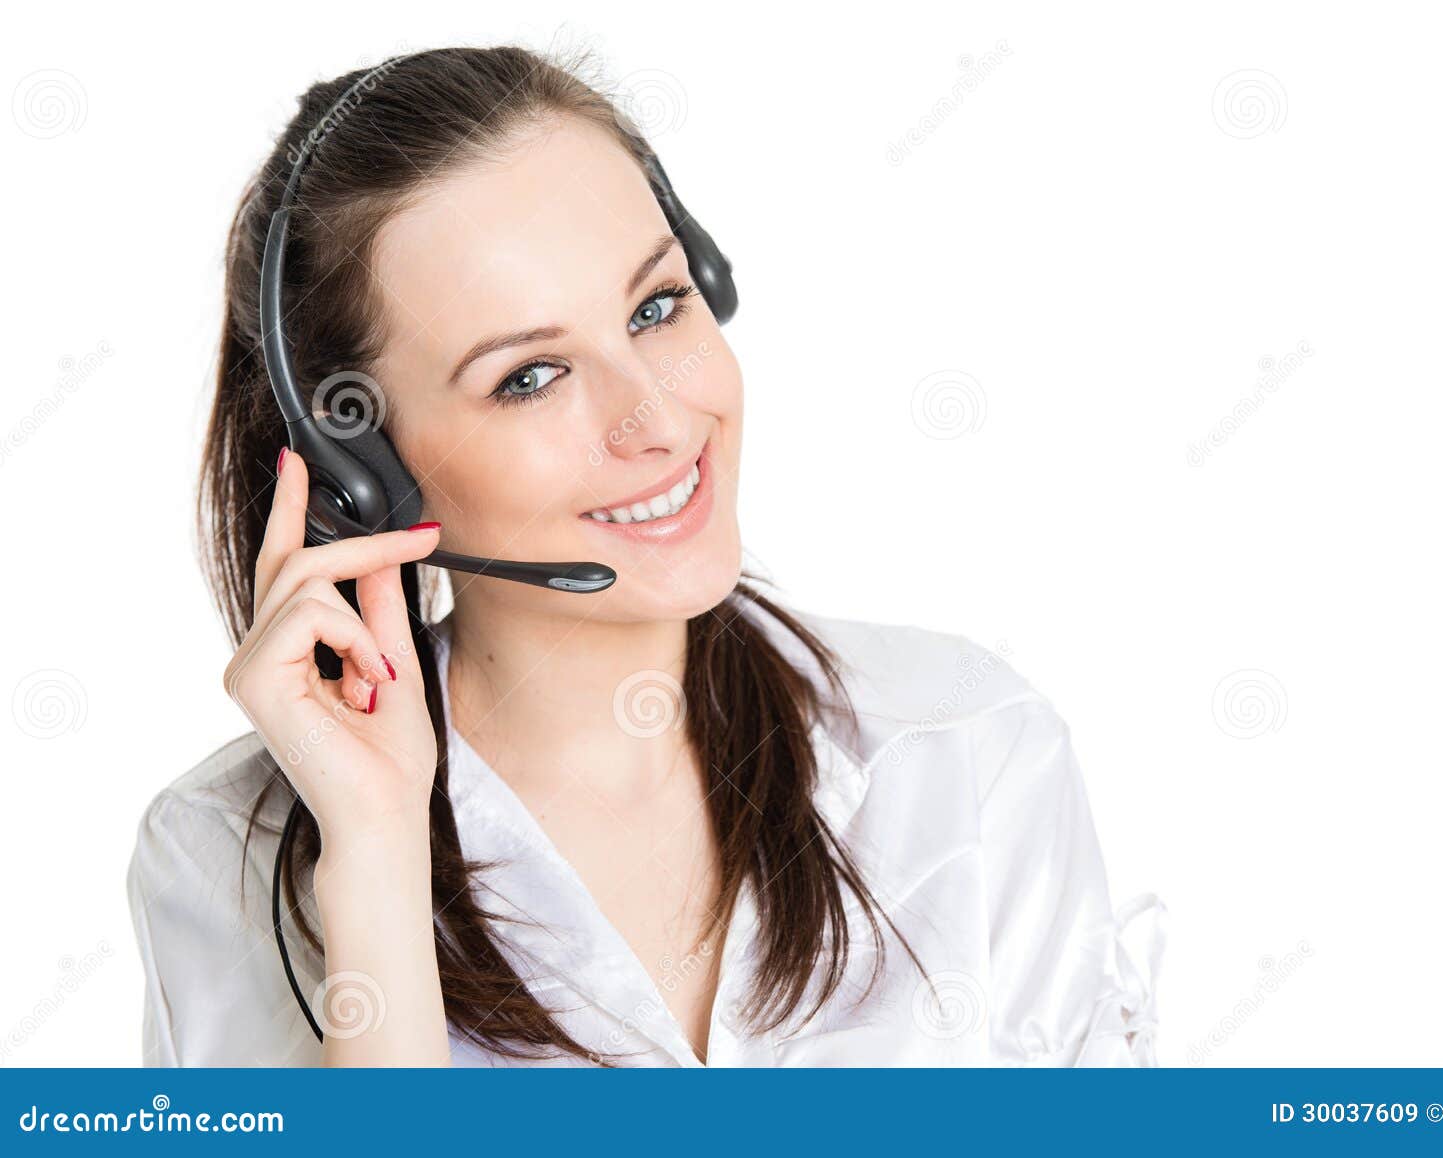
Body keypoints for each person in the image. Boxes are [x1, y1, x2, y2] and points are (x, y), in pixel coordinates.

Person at [125, 44, 1162, 1067]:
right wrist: (377, 860)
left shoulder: (968, 750)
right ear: (362, 467)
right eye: (531, 376)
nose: (657, 420)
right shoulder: (227, 857)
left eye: (657, 306)